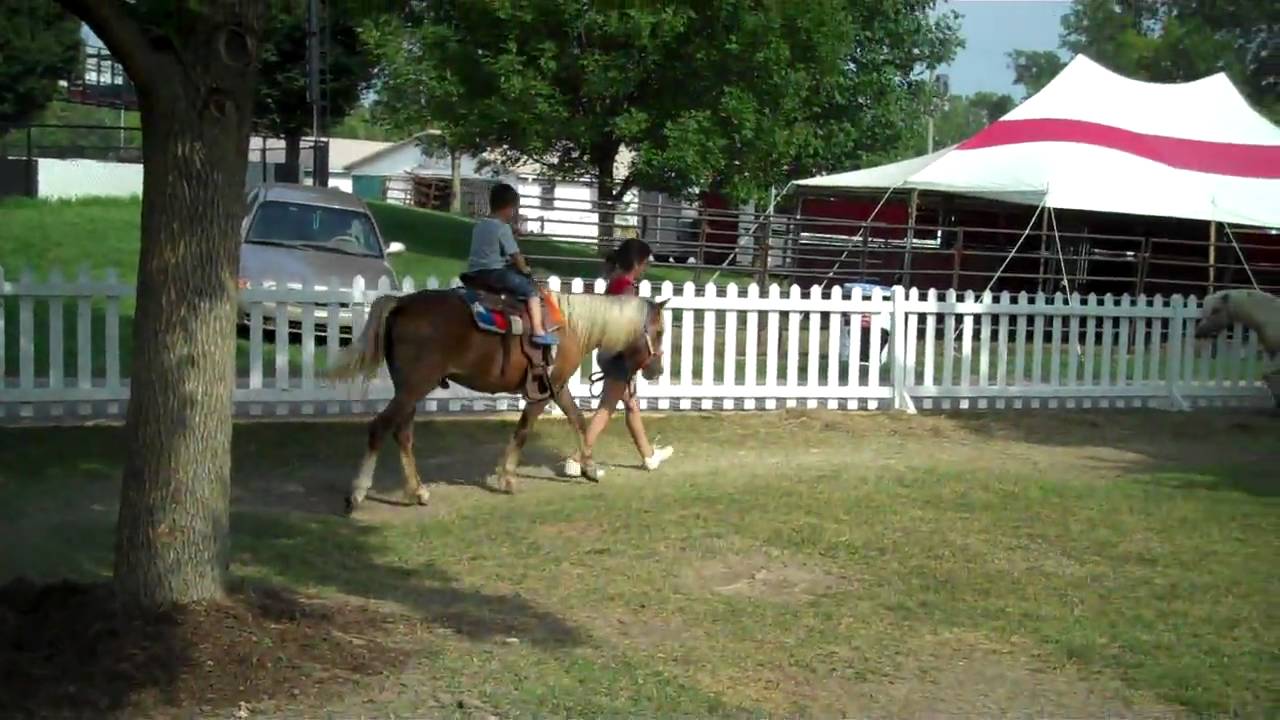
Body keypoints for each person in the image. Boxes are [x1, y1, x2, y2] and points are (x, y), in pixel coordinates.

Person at [579, 238, 673, 471]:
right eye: (645, 263)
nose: (647, 267)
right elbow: (629, 325)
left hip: (612, 350)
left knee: (631, 404)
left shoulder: (616, 282)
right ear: (637, 262)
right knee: (607, 407)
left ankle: (648, 456)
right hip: (620, 354)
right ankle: (578, 455)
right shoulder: (626, 288)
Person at [466, 183, 557, 345]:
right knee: (531, 292)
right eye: (514, 209)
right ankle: (538, 331)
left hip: (474, 273)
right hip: (494, 274)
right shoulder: (502, 227)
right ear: (509, 208)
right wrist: (525, 269)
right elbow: (516, 255)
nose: (514, 213)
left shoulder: (479, 225)